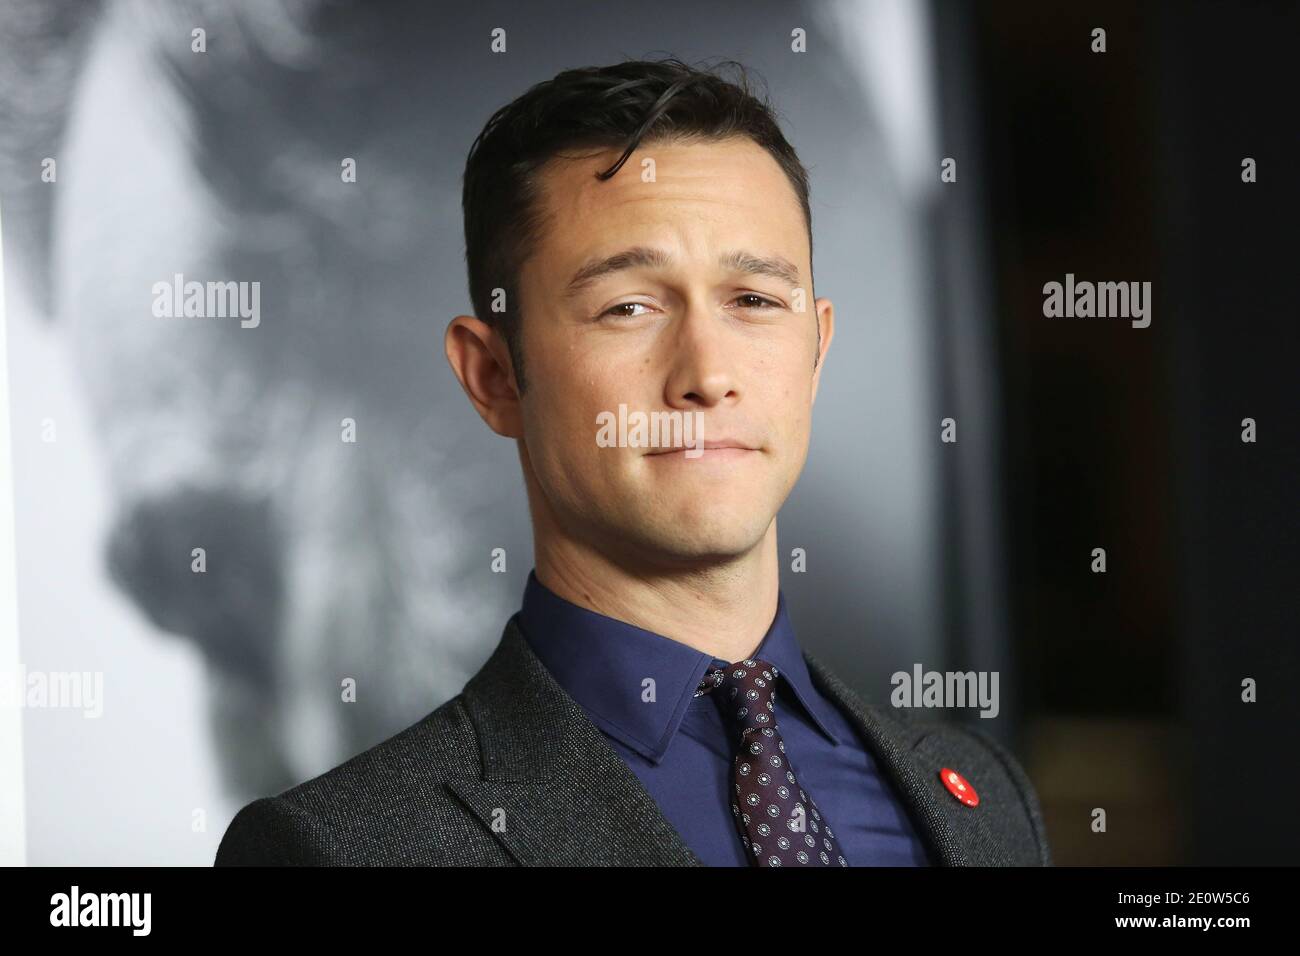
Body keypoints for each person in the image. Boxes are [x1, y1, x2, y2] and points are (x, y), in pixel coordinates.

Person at [215, 57, 1050, 867]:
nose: (707, 376)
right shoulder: (342, 850)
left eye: (754, 301)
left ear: (817, 351)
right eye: (628, 307)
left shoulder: (983, 797)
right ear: (494, 375)